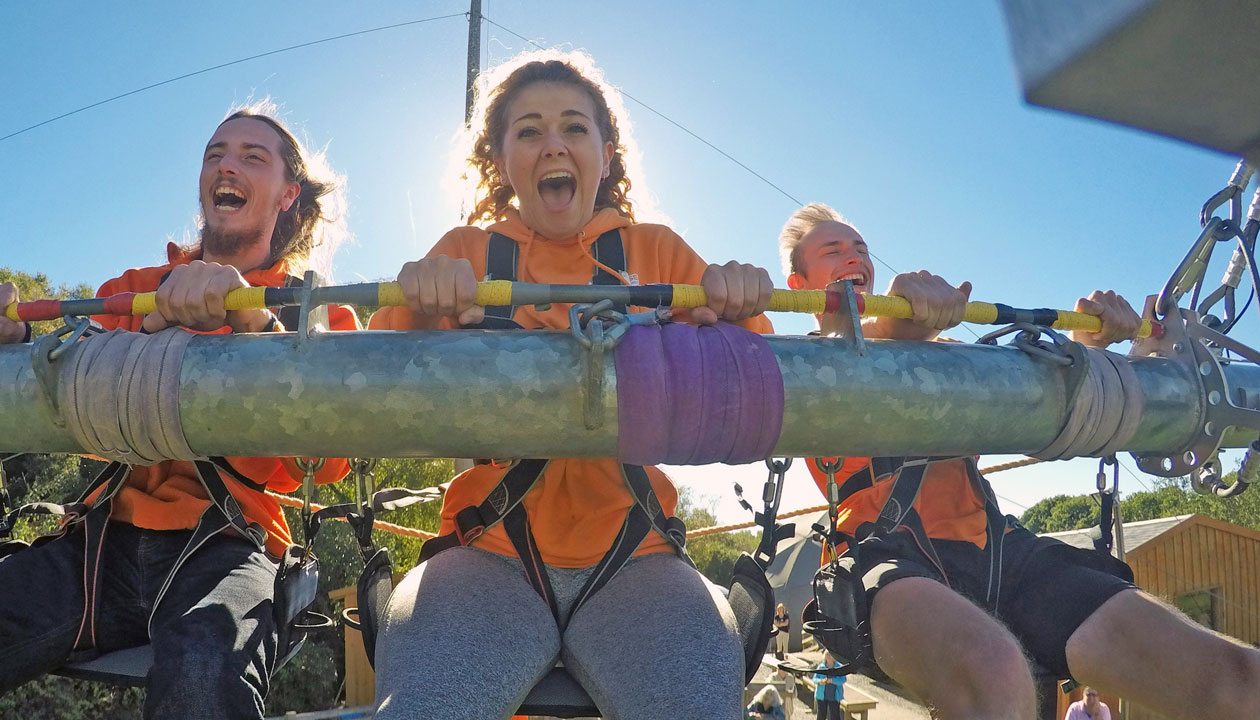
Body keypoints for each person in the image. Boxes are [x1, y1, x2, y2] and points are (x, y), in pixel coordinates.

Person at [0, 105, 360, 719]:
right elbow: (76, 397)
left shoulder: (316, 311)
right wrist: (10, 341)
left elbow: (328, 462)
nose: (227, 164)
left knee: (204, 672)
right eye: (214, 154)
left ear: (288, 196)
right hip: (99, 546)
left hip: (229, 544)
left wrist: (254, 319)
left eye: (253, 157)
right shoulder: (133, 287)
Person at [367, 52, 774, 720]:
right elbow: (360, 389)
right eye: (528, 131)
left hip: (637, 554)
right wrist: (416, 305)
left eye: (573, 129)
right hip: (487, 553)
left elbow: (774, 380)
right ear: (502, 161)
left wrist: (736, 305)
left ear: (605, 155)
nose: (553, 142)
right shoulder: (462, 255)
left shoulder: (658, 253)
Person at [780, 202, 1260, 720]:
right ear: (798, 280)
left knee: (1236, 680)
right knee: (993, 673)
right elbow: (844, 345)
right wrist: (903, 327)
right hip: (884, 556)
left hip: (999, 549)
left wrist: (1091, 350)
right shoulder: (797, 365)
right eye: (833, 250)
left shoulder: (939, 352)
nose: (854, 256)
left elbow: (1043, 403)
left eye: (860, 249)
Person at [812, 652, 845, 720]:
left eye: (830, 655)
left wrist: (832, 680)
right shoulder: (821, 667)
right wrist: (820, 681)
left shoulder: (839, 667)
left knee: (835, 716)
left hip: (834, 696)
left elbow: (843, 679)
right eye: (827, 655)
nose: (829, 656)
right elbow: (814, 679)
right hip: (822, 695)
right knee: (821, 716)